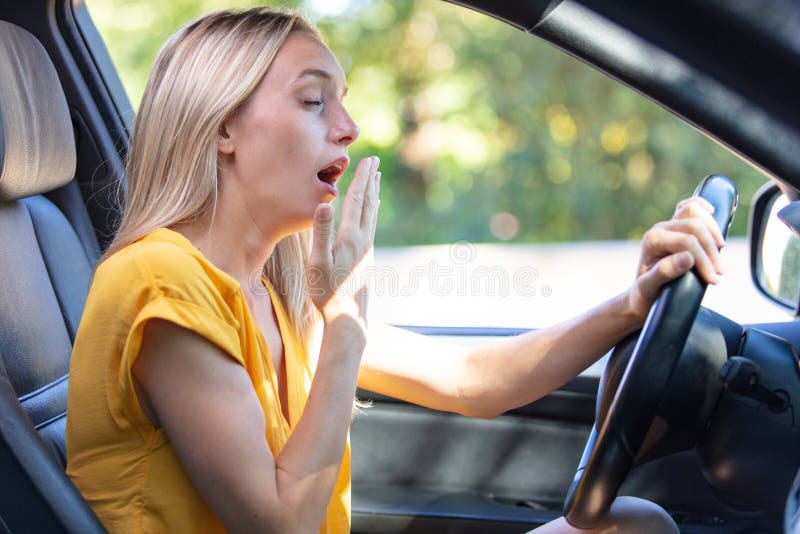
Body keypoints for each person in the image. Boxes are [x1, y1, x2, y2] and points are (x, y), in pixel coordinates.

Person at [65, 6, 725, 533]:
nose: (349, 127)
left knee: (634, 524)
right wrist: (345, 323)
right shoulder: (161, 281)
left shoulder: (268, 296)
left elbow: (472, 381)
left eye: (343, 102)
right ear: (222, 128)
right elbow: (281, 524)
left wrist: (631, 305)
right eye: (313, 101)